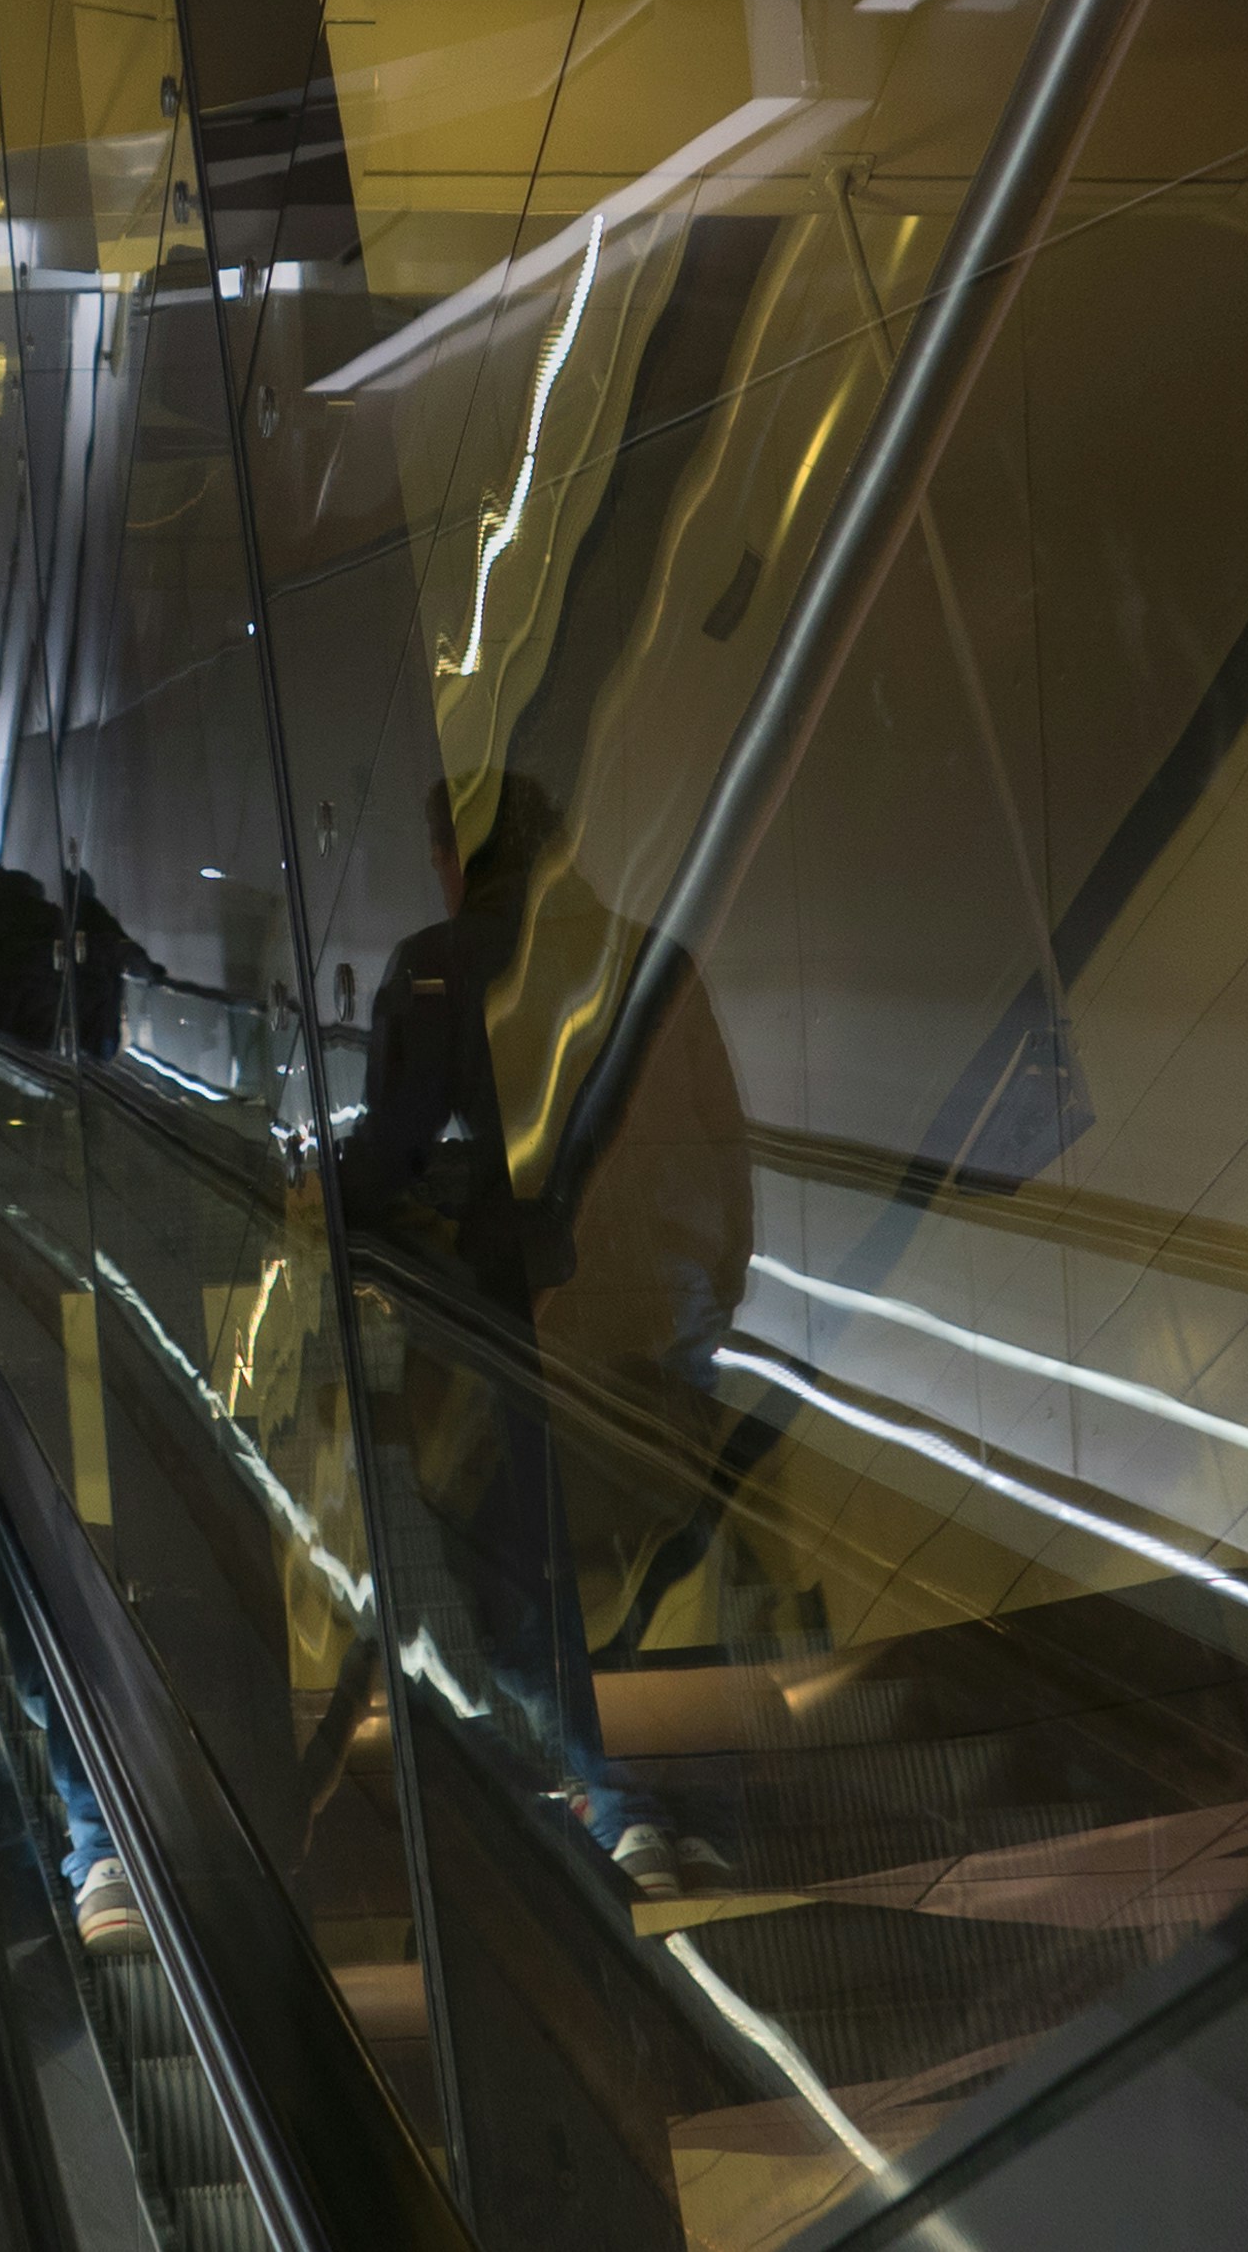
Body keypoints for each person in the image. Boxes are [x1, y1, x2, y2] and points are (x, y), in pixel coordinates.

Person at [338, 771, 751, 1905]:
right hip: (669, 1312)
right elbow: (722, 1140)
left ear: (453, 857)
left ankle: (622, 1806)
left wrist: (332, 1214)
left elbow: (392, 1150)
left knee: (521, 1572)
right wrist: (713, 1289)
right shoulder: (650, 953)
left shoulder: (438, 963)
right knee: (660, 1559)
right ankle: (698, 1813)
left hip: (539, 1319)